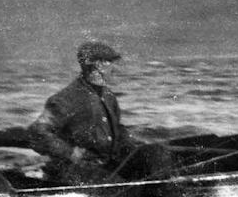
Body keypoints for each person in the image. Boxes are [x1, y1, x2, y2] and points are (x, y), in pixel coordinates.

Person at [27, 41, 169, 183]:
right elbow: (37, 132)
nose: (115, 68)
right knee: (120, 184)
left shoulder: (108, 96)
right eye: (110, 62)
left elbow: (117, 130)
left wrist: (136, 144)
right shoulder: (66, 99)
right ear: (98, 65)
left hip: (106, 164)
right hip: (77, 170)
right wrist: (70, 153)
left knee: (155, 152)